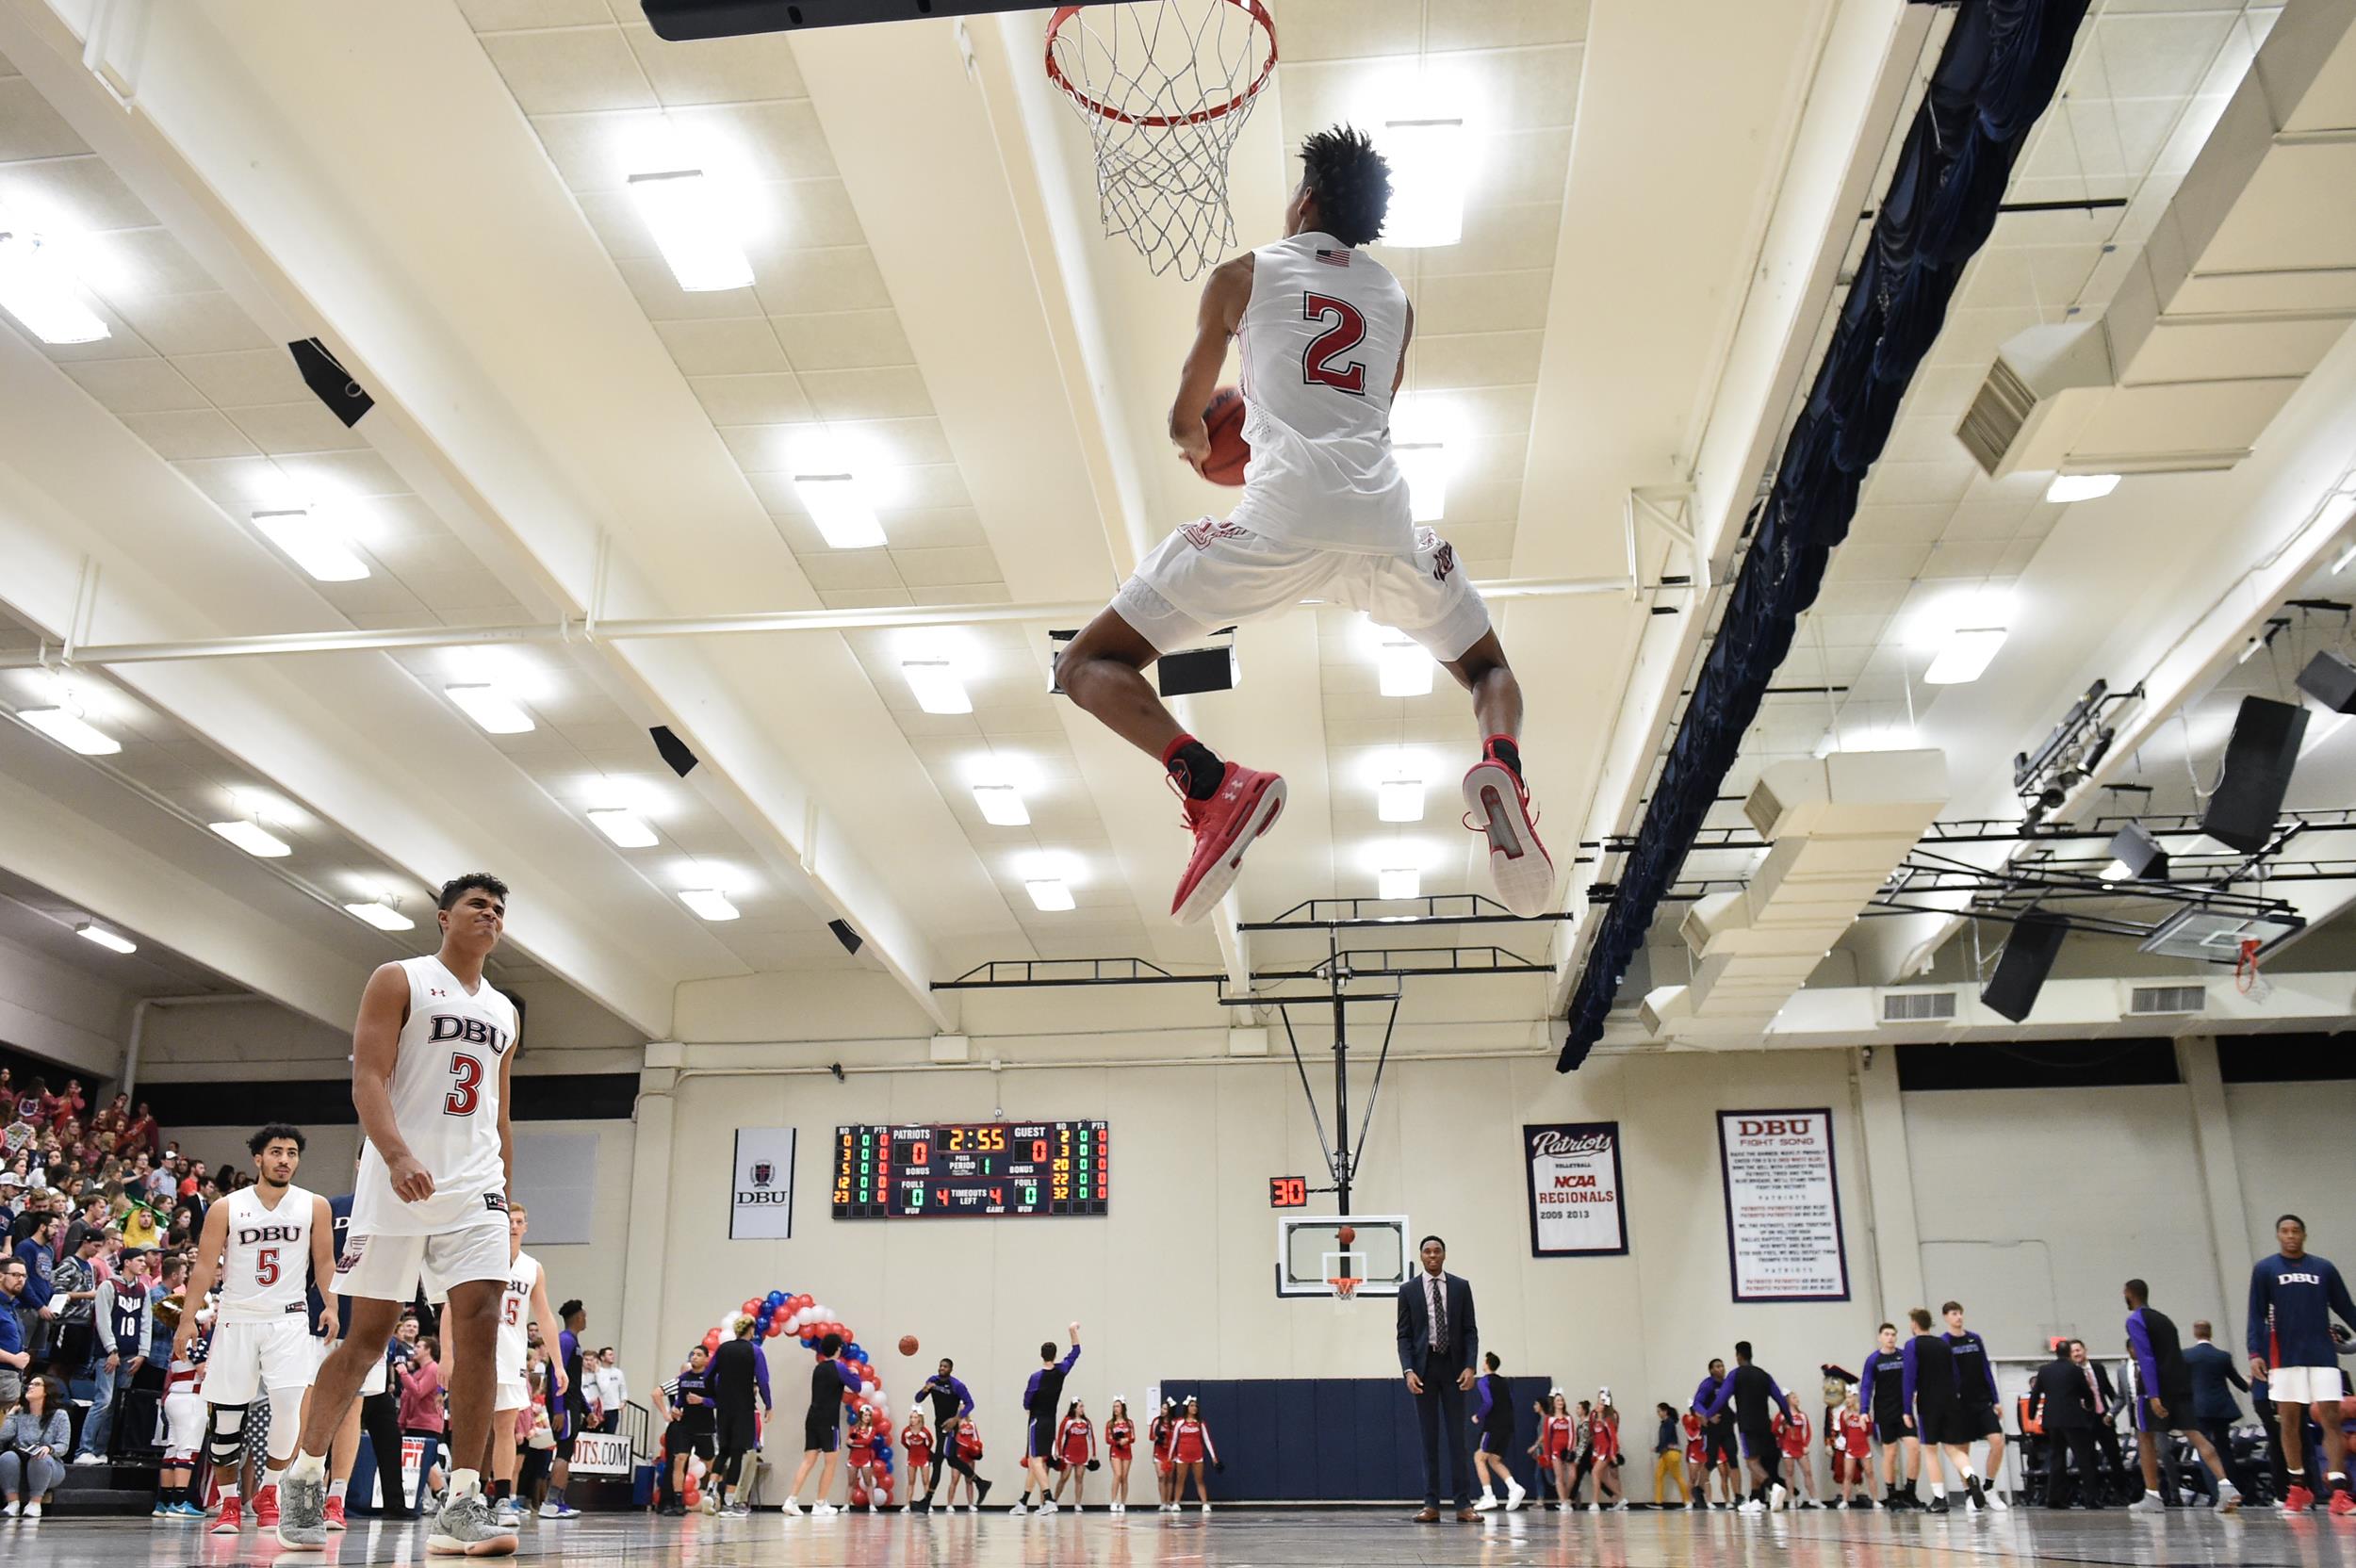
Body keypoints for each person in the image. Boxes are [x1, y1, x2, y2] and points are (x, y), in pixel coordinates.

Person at [1054, 126, 1549, 926]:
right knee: (1489, 672)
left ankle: (1214, 787)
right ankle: (1501, 763)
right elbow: (1371, 407)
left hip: (1282, 519)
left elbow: (1185, 415)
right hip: (1387, 524)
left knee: (1087, 663)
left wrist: (1198, 441)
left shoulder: (1242, 275)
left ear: (1306, 199)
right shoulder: (1396, 300)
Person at [276, 873, 525, 1555]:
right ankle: (303, 1473)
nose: (491, 916)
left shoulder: (505, 1010)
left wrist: (507, 1193)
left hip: (475, 1188)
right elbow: (368, 1078)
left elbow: (498, 1112)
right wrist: (393, 1154)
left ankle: (464, 1499)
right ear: (444, 917)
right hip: (397, 1178)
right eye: (478, 905)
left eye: (499, 910)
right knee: (367, 1339)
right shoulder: (400, 978)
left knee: (477, 1329)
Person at [174, 1123, 334, 1537]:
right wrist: (187, 1317)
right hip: (237, 1316)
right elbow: (205, 1267)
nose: (285, 1160)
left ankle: (268, 1491)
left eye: (292, 1153)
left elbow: (325, 1262)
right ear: (258, 1158)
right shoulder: (226, 1207)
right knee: (227, 1418)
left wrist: (331, 1304)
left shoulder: (314, 1205)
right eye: (277, 1152)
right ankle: (228, 1501)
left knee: (287, 1408)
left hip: (289, 1317)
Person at [2247, 1213, 2356, 1513]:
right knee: (2290, 1421)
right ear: (2278, 1236)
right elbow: (2255, 1314)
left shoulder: (2323, 1268)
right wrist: (2255, 1353)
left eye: (2296, 1231)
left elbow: (2346, 1306)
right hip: (2284, 1358)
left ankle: (2339, 1492)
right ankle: (2297, 1488)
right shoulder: (2265, 1269)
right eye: (2285, 1231)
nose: (2291, 1235)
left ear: (2304, 1235)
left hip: (2322, 1354)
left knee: (2331, 1420)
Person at [2120, 1279, 2241, 1513]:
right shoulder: (2164, 1319)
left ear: (2129, 1294)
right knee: (2196, 1435)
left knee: (2145, 1437)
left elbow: (2145, 1357)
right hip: (2179, 1384)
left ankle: (2152, 1496)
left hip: (2154, 1387)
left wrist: (2154, 1394)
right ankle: (2226, 1486)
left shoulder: (2135, 1320)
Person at [1397, 1233, 1479, 1522]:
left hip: (1454, 1369)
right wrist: (1408, 1370)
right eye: (1427, 1252)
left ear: (1444, 1255)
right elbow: (1404, 1335)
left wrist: (1470, 1366)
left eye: (1437, 1251)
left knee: (1458, 1439)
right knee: (1428, 1439)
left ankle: (1463, 1504)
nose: (1432, 1256)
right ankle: (1431, 1504)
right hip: (1424, 1369)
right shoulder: (1408, 1290)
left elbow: (1470, 1330)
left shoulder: (1460, 1287)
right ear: (1421, 1256)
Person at [1903, 1307, 1988, 1512]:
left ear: (1914, 1324)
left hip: (1929, 1402)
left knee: (1930, 1450)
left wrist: (1906, 1408)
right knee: (1953, 1448)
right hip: (1951, 1401)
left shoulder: (1912, 1344)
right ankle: (1970, 1475)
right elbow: (1956, 1373)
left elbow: (1909, 1377)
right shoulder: (1943, 1343)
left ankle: (1939, 1498)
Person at [73, 1244, 152, 1462]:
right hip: (109, 1354)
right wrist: (112, 1349)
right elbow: (103, 1321)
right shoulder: (109, 1286)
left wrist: (143, 1352)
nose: (144, 1264)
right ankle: (83, 1450)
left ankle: (101, 1451)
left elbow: (146, 1322)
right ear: (127, 1262)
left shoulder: (143, 1289)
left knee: (117, 1403)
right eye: (140, 1260)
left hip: (131, 1354)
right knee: (104, 1400)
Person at [1702, 1341, 1794, 1512]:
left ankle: (1773, 1487)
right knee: (1758, 1460)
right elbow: (1780, 1399)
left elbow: (1721, 1399)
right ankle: (1756, 1498)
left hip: (1747, 1425)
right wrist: (1790, 1419)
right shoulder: (1764, 1375)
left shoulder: (1735, 1375)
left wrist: (1707, 1415)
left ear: (1738, 1356)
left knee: (1751, 1463)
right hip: (1765, 1425)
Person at [1940, 1301, 2009, 1510]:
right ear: (1946, 1317)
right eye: (1954, 1314)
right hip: (1959, 1404)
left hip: (1981, 1400)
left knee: (1997, 1441)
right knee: (1963, 1449)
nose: (1959, 1317)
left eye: (1960, 1313)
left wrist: (1995, 1399)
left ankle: (1989, 1487)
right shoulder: (1944, 1342)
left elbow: (1985, 1368)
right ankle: (1970, 1493)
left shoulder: (1974, 1338)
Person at [2184, 1318, 2256, 1502]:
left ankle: (2216, 1493)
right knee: (2224, 1449)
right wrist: (2249, 1383)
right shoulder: (2222, 1356)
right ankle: (2235, 1488)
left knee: (2204, 1449)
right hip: (2221, 1408)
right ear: (2210, 1333)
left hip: (2199, 1409)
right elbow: (2237, 1382)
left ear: (2195, 1333)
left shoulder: (2186, 1356)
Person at [781, 1331, 852, 1517]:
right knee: (831, 1461)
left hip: (812, 1417)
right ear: (838, 1349)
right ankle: (820, 1503)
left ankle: (791, 1499)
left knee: (808, 1460)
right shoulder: (839, 1367)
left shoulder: (818, 1368)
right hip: (829, 1420)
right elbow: (858, 1387)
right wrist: (854, 1373)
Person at [1014, 1322, 1081, 1514]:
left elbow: (1027, 1400)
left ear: (1041, 1355)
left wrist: (1028, 1410)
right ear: (1055, 1355)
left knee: (1034, 1461)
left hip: (1037, 1420)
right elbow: (1076, 1352)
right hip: (1051, 1421)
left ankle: (1049, 1499)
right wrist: (1072, 1331)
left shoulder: (1036, 1377)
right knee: (1035, 1461)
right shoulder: (1061, 1371)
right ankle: (1023, 1502)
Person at [2027, 1339, 2102, 1509]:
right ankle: (2091, 1499)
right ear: (2069, 1353)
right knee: (2083, 1458)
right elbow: (2086, 1392)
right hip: (2073, 1419)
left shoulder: (2045, 1370)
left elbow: (2035, 1393)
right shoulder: (2075, 1370)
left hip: (2052, 1421)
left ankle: (2054, 1498)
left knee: (2056, 1458)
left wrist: (2031, 1414)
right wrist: (2090, 1407)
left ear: (2055, 1352)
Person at [710, 1313, 771, 1518]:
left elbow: (709, 1375)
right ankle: (729, 1503)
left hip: (724, 1407)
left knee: (723, 1450)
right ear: (751, 1330)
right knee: (737, 1453)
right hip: (743, 1407)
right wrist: (768, 1404)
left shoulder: (722, 1349)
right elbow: (762, 1381)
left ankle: (710, 1490)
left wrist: (715, 1397)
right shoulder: (755, 1351)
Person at [912, 1357, 985, 1511]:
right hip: (939, 1426)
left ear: (951, 1369)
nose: (941, 1368)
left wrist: (956, 1419)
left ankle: (927, 1501)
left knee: (939, 1460)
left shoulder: (957, 1385)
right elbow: (918, 1399)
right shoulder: (933, 1381)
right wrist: (924, 1390)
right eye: (940, 1366)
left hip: (950, 1427)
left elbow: (970, 1403)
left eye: (945, 1366)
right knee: (951, 1460)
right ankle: (981, 1483)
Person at [541, 1298, 591, 1520]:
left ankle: (558, 1500)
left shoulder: (573, 1342)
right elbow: (555, 1376)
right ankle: (550, 1502)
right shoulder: (565, 1340)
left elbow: (573, 1382)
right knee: (563, 1452)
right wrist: (559, 1410)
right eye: (585, 1315)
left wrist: (588, 1410)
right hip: (564, 1406)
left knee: (567, 1452)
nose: (586, 1319)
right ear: (579, 1317)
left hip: (571, 1404)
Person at [1861, 1322, 1918, 1509]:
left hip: (1904, 1412)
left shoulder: (1904, 1355)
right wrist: (1863, 1411)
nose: (1890, 1337)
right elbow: (1867, 1387)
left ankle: (1910, 1491)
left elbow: (1913, 1377)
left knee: (1914, 1448)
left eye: (1893, 1334)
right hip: (1884, 1412)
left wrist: (1916, 1392)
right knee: (1890, 1453)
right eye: (1886, 1334)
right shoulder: (1873, 1360)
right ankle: (1892, 1493)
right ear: (1880, 1337)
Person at [155, 1329, 209, 1519]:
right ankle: (179, 1503)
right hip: (191, 1399)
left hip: (174, 1398)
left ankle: (164, 1502)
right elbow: (204, 1372)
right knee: (188, 1451)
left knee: (172, 1450)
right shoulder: (197, 1343)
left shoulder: (177, 1342)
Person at [659, 1345, 715, 1517]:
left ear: (706, 1359)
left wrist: (702, 1401)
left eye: (699, 1355)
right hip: (685, 1426)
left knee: (710, 1463)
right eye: (693, 1354)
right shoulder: (683, 1378)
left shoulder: (712, 1378)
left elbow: (720, 1401)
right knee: (679, 1459)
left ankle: (718, 1493)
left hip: (704, 1427)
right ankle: (678, 1503)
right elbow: (680, 1400)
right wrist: (675, 1408)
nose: (695, 1357)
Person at [0, 1372, 66, 1517]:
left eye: (36, 1384)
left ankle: (35, 1503)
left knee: (39, 1457)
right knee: (7, 1456)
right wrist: (11, 1414)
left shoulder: (59, 1415)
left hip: (49, 1467)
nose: (30, 1387)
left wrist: (49, 1448)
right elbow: (3, 1437)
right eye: (29, 1384)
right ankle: (12, 1503)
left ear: (46, 1391)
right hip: (22, 1465)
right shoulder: (20, 1414)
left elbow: (63, 1446)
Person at [1469, 1351, 1524, 1511]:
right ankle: (1514, 1487)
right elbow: (1510, 1402)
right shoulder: (1504, 1382)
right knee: (1494, 1459)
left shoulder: (1484, 1381)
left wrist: (1478, 1416)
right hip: (1508, 1426)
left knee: (1479, 1457)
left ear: (1487, 1364)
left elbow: (1488, 1402)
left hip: (1494, 1426)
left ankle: (1488, 1496)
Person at [1691, 1357, 1740, 1508]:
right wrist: (1708, 1415)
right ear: (1711, 1370)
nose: (1721, 1368)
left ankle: (1738, 1496)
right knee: (1711, 1461)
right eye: (1717, 1366)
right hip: (1712, 1429)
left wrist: (1734, 1416)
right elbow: (1696, 1403)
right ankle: (1698, 1489)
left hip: (1726, 1426)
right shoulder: (1707, 1384)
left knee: (1733, 1458)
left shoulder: (1727, 1383)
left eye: (1722, 1365)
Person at [1170, 1394, 1219, 1512]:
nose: (1194, 1408)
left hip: (1197, 1456)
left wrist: (1213, 1456)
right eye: (1192, 1405)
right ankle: (1176, 1502)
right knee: (1180, 1479)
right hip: (1182, 1455)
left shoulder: (1200, 1423)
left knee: (1200, 1479)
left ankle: (1205, 1504)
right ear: (1187, 1407)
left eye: (1196, 1406)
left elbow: (1207, 1440)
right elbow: (1174, 1439)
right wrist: (1169, 1456)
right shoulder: (1180, 1423)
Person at [1052, 1398, 1096, 1511]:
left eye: (1083, 1406)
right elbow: (1060, 1436)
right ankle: (1054, 1501)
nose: (1082, 1409)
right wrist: (1060, 1453)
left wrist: (1093, 1454)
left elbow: (1091, 1438)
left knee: (1079, 1478)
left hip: (1082, 1453)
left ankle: (1077, 1503)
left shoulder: (1086, 1422)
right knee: (1064, 1477)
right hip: (1069, 1453)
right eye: (1080, 1406)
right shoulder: (1067, 1421)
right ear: (1074, 1408)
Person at [1832, 1391, 1873, 1508]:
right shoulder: (1843, 1413)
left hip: (1863, 1447)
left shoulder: (1863, 1413)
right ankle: (1844, 1499)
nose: (1848, 1400)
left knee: (1868, 1472)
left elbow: (1869, 1429)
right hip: (1848, 1446)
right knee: (1846, 1473)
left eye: (1850, 1397)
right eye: (1846, 1397)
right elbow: (1843, 1431)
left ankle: (1873, 1499)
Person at [1774, 1400, 1816, 1508]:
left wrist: (1805, 1444)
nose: (1797, 1400)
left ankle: (1814, 1498)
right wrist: (1782, 1438)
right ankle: (1792, 1498)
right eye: (1794, 1398)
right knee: (1789, 1472)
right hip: (1788, 1447)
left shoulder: (1802, 1415)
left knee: (1807, 1471)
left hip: (1800, 1447)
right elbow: (1774, 1429)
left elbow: (1808, 1432)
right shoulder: (1782, 1415)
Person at [1650, 1400, 1688, 1507]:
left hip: (1671, 1453)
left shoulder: (1669, 1423)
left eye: (1659, 1411)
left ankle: (1687, 1501)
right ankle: (1658, 1502)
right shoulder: (1665, 1423)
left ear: (1665, 1411)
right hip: (1665, 1453)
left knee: (1678, 1476)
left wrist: (1658, 1448)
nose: (1658, 1414)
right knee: (1658, 1475)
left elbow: (1665, 1439)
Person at [844, 1406, 879, 1512]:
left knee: (868, 1482)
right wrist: (853, 1443)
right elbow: (848, 1441)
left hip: (866, 1458)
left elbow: (867, 1442)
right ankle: (846, 1505)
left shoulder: (872, 1429)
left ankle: (872, 1505)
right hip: (854, 1457)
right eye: (865, 1415)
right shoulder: (855, 1428)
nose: (867, 1417)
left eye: (869, 1415)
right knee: (851, 1482)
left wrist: (855, 1443)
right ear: (861, 1416)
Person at [900, 1409, 933, 1515]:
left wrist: (925, 1452)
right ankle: (907, 1505)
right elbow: (904, 1443)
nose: (912, 1419)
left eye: (915, 1417)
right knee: (911, 1481)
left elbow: (929, 1443)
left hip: (924, 1458)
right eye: (911, 1417)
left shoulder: (925, 1432)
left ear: (920, 1419)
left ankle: (928, 1504)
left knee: (925, 1481)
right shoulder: (906, 1432)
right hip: (912, 1457)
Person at [1104, 1397, 1134, 1514]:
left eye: (1117, 1406)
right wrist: (1117, 1442)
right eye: (1114, 1407)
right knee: (1118, 1474)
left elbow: (1133, 1437)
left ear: (1122, 1408)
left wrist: (1126, 1439)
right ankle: (1113, 1501)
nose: (1115, 1409)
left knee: (1124, 1477)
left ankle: (1123, 1502)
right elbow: (1107, 1439)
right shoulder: (1110, 1423)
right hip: (1115, 1450)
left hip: (1126, 1451)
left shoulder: (1129, 1423)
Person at [1150, 1397, 1177, 1511]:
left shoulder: (1174, 1423)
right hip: (1159, 1452)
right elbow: (1151, 1437)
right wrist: (1158, 1438)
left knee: (1169, 1478)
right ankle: (1162, 1502)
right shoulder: (1156, 1421)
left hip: (1170, 1453)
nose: (1162, 1410)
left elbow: (1176, 1438)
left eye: (1165, 1408)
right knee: (1161, 1476)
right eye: (1162, 1408)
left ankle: (1168, 1502)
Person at [594, 1348, 627, 1435]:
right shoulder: (597, 1371)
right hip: (598, 1409)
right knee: (594, 1433)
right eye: (610, 1354)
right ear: (602, 1357)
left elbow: (623, 1388)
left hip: (613, 1409)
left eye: (613, 1354)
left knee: (610, 1434)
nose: (613, 1356)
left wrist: (623, 1401)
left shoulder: (618, 1372)